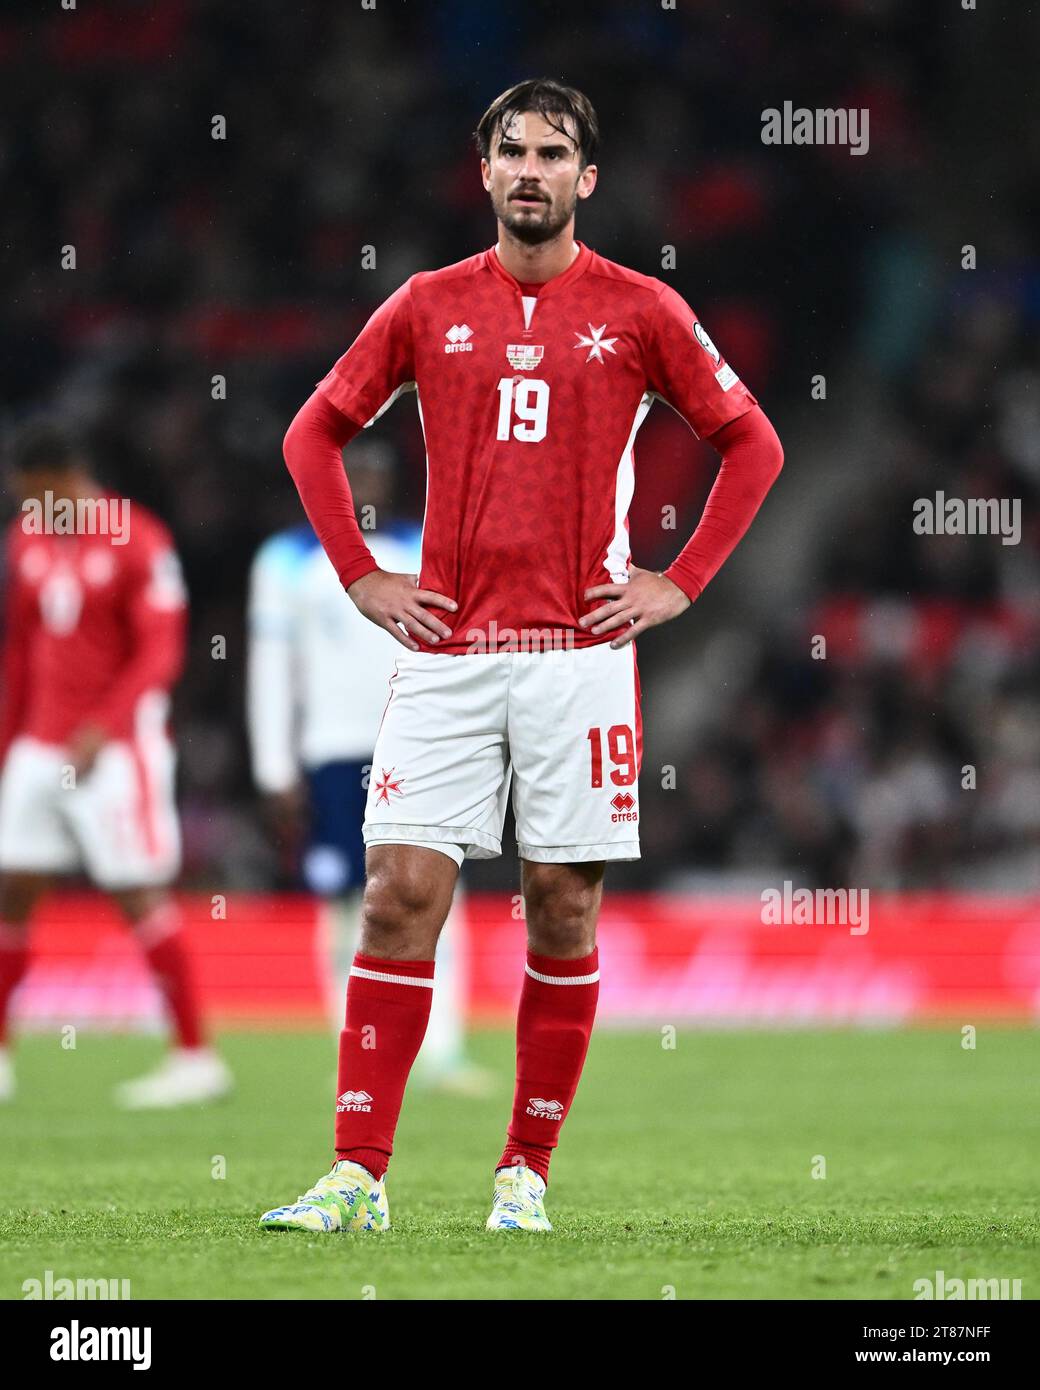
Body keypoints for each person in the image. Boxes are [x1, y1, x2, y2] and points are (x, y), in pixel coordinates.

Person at [260, 77, 782, 1235]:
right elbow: (312, 433)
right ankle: (357, 1173)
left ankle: (522, 1175)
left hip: (578, 653)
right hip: (445, 651)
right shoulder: (424, 304)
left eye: (554, 153)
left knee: (559, 907)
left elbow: (752, 441)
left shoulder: (642, 309)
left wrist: (678, 580)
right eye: (513, 152)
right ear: (484, 172)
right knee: (396, 897)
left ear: (586, 179)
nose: (532, 170)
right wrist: (358, 573)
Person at [246, 440, 491, 1094]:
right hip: (331, 749)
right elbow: (272, 671)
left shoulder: (430, 547)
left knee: (439, 887)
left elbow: (462, 650)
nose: (367, 484)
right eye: (354, 472)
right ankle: (352, 1046)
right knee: (346, 902)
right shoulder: (286, 560)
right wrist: (275, 768)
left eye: (378, 470)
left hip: (423, 743)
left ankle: (441, 1052)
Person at [0, 420, 231, 1108]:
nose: (32, 504)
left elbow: (162, 650)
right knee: (12, 890)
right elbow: (21, 651)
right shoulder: (27, 540)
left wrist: (108, 723)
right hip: (39, 746)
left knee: (137, 892)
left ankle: (195, 1057)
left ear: (70, 479)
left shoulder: (141, 538)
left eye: (40, 491)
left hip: (115, 751)